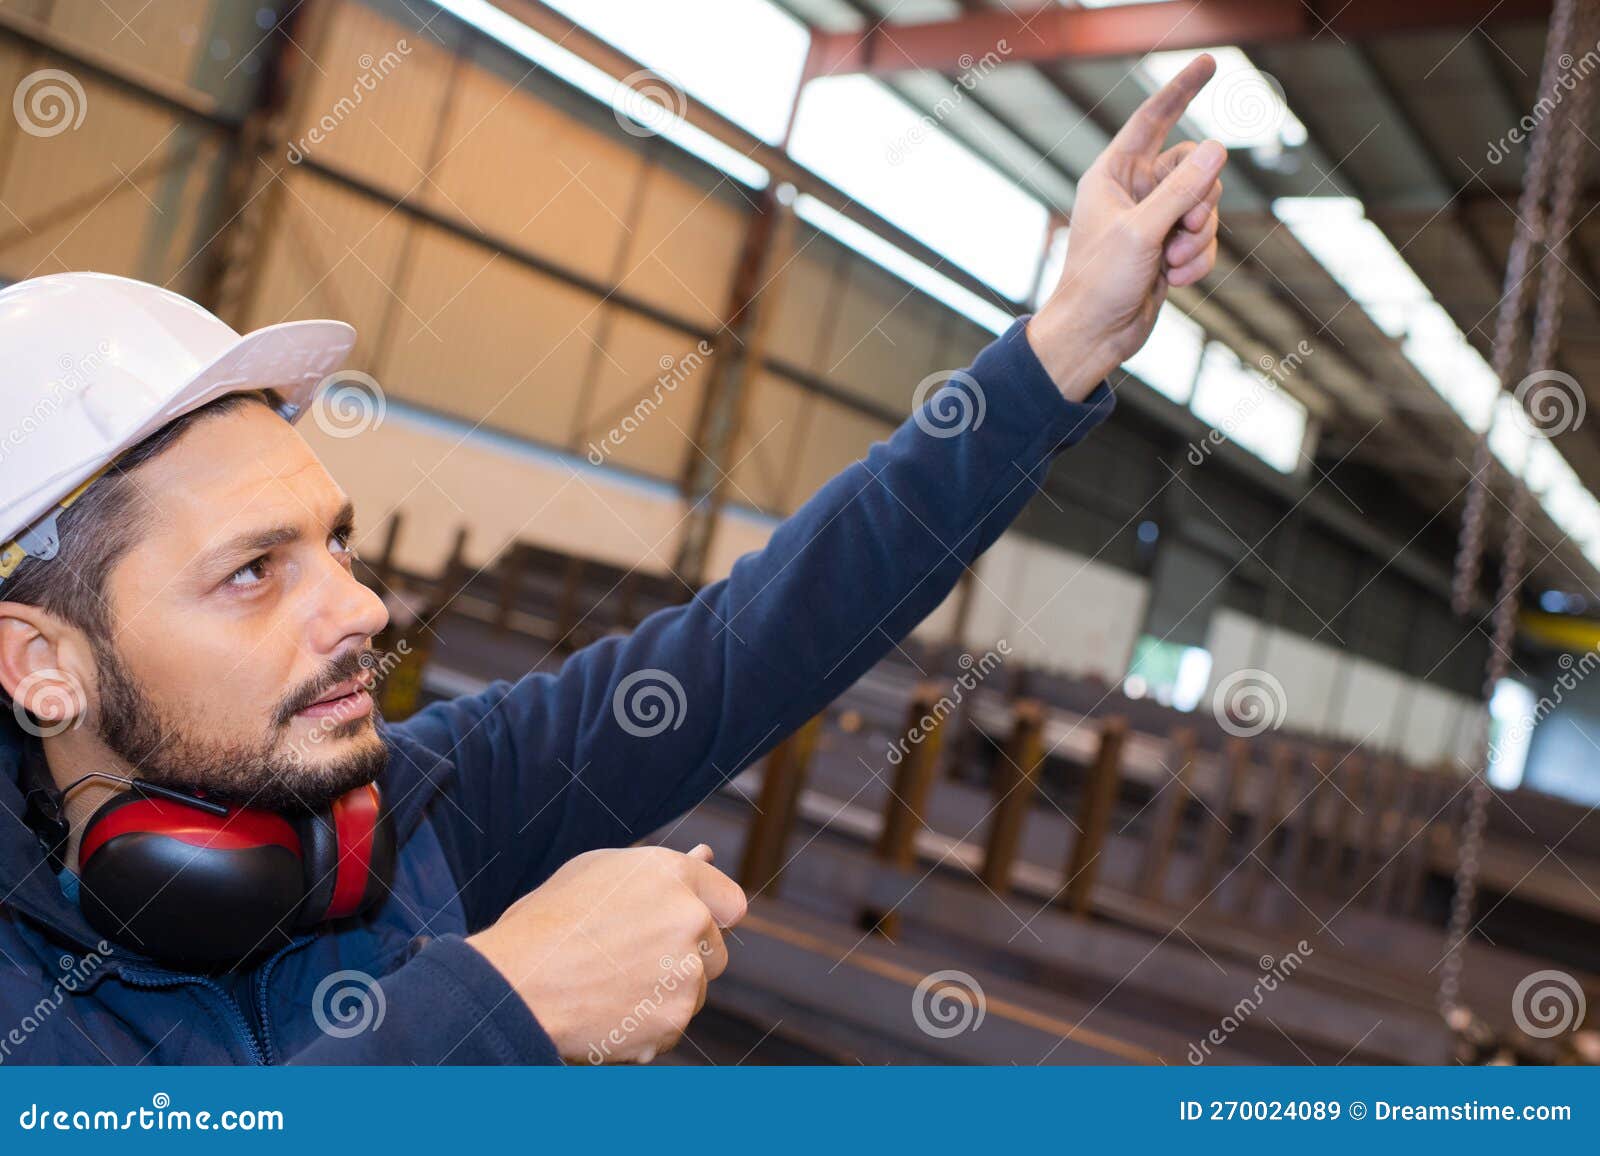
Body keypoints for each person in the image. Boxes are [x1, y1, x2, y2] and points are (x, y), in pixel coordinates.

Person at [0, 57, 1224, 1065]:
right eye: (253, 571)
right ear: (41, 663)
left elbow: (766, 636)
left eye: (336, 542)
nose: (361, 607)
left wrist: (1062, 344)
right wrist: (503, 1004)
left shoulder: (420, 813)